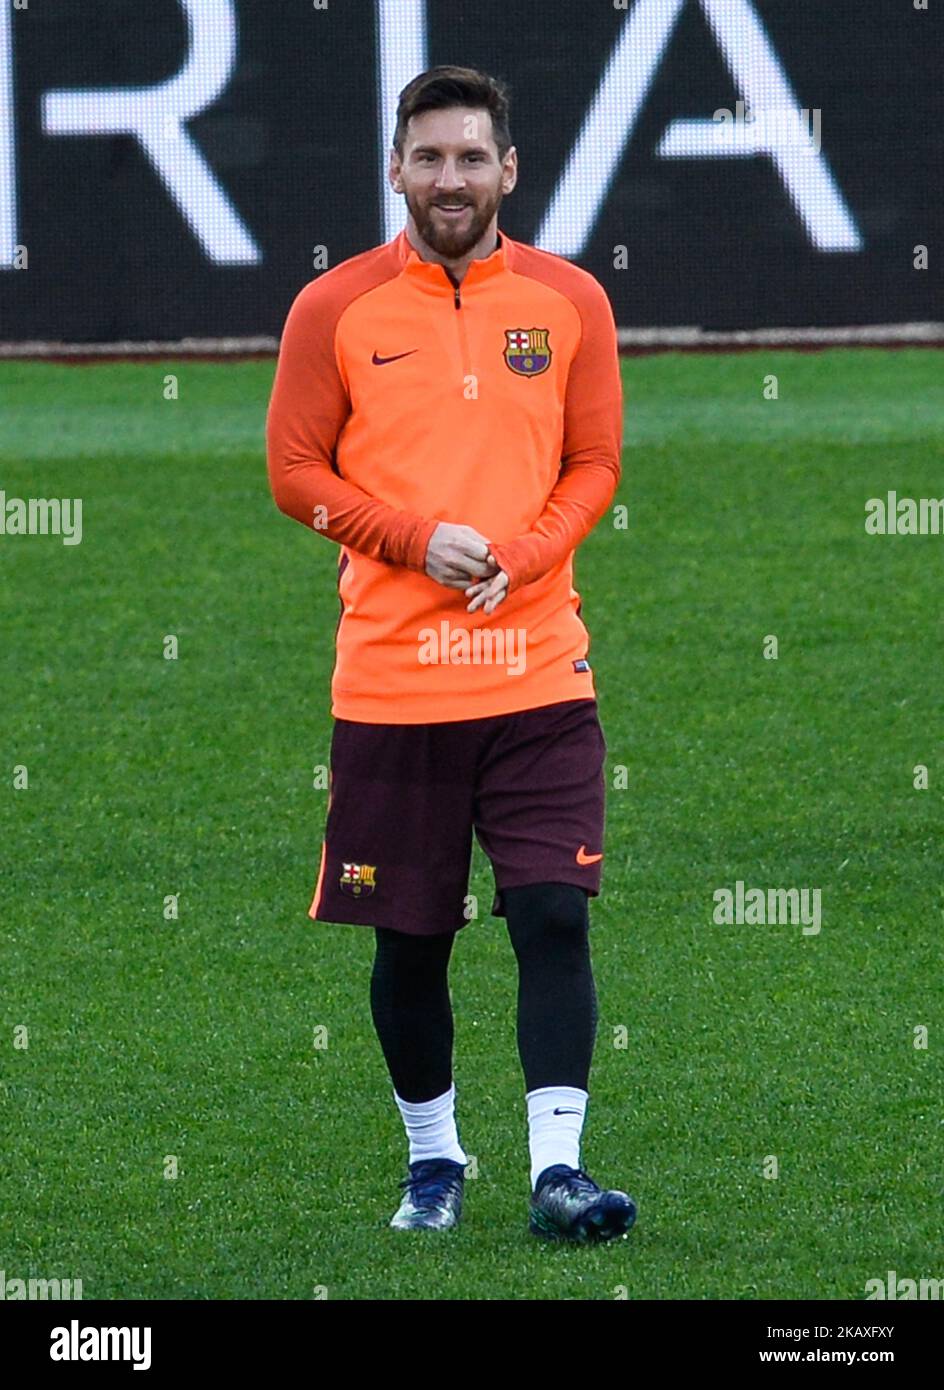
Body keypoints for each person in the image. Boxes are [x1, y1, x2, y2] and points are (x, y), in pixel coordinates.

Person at [266, 64, 636, 1243]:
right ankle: (434, 1164)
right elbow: (294, 472)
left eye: (470, 156)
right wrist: (415, 541)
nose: (449, 179)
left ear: (508, 169)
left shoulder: (572, 299)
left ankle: (557, 1171)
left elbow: (594, 465)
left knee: (551, 914)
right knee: (409, 938)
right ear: (395, 170)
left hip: (538, 671)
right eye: (427, 158)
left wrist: (524, 556)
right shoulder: (332, 308)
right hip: (392, 682)